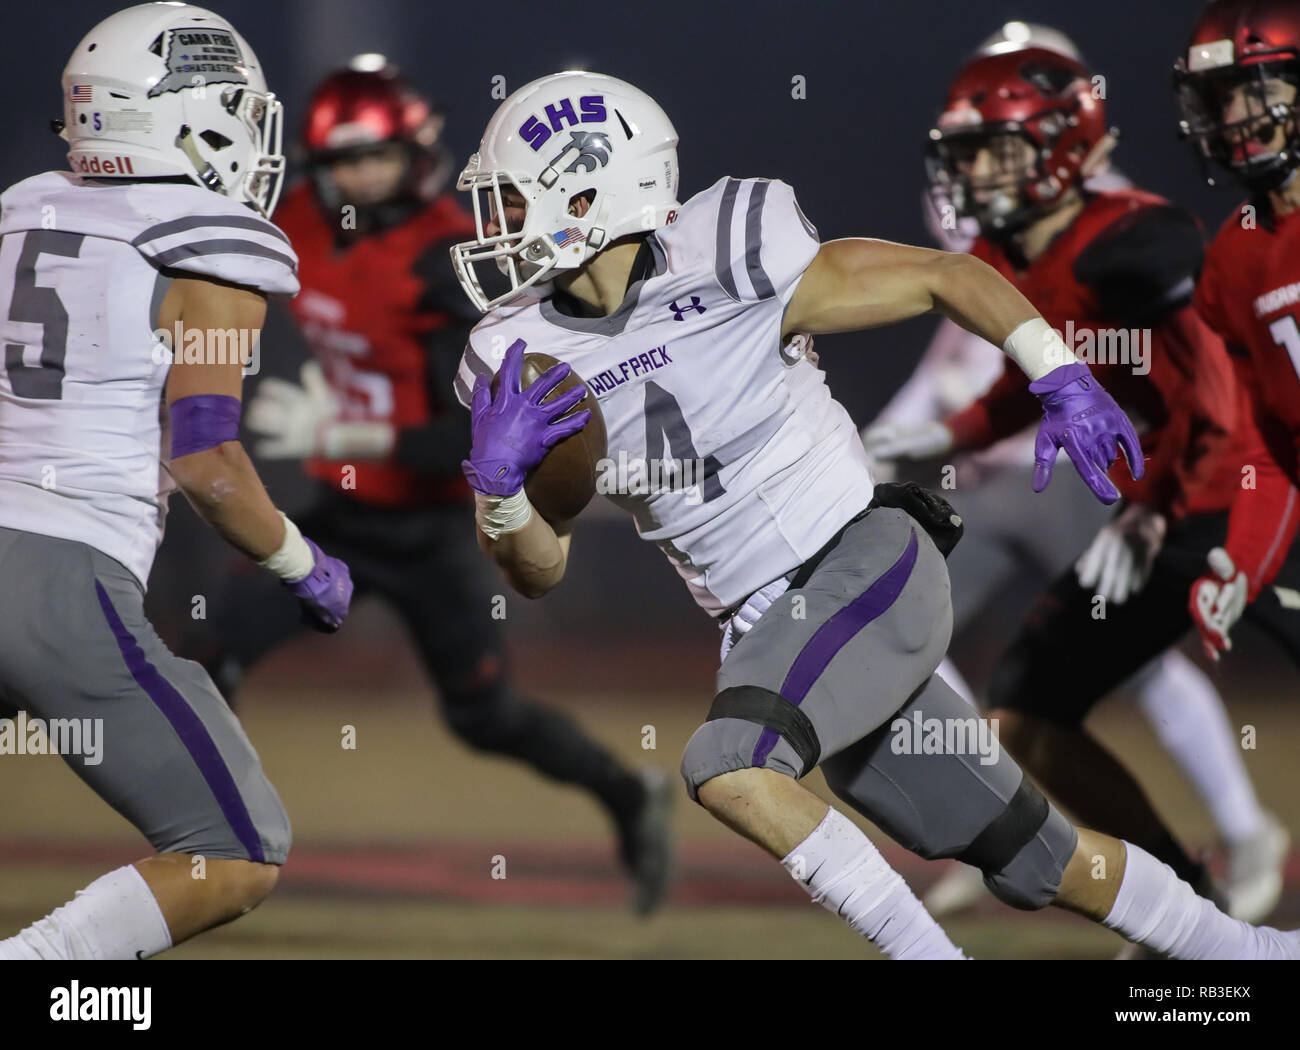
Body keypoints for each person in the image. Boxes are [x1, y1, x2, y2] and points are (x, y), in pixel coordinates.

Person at [449, 69, 1297, 958]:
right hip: (768, 632)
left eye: (511, 196)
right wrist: (499, 495)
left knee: (727, 764)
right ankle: (1261, 957)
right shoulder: (513, 355)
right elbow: (538, 576)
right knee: (1036, 858)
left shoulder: (733, 248)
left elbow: (943, 274)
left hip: (863, 563)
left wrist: (1058, 372)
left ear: (590, 192)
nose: (493, 222)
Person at [186, 59, 672, 915]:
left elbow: (465, 435)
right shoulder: (298, 216)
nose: (364, 176)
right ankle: (205, 837)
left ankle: (629, 792)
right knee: (212, 653)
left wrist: (343, 432)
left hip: (431, 525)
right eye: (347, 160)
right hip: (342, 513)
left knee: (483, 715)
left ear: (416, 149)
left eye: (380, 155)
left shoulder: (453, 257)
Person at [864, 32, 1288, 923]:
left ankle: (1247, 835)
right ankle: (1188, 904)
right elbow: (1046, 385)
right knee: (1023, 714)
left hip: (1231, 493)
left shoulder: (1135, 242)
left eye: (996, 150)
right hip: (1166, 503)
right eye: (968, 153)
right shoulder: (1004, 259)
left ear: (1059, 144)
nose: (976, 173)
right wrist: (942, 433)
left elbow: (1220, 396)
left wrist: (1144, 510)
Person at [0, 2, 353, 960]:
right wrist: (299, 562)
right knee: (234, 850)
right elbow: (205, 462)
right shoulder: (207, 247)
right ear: (186, 117)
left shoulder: (24, 208)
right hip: (58, 578)